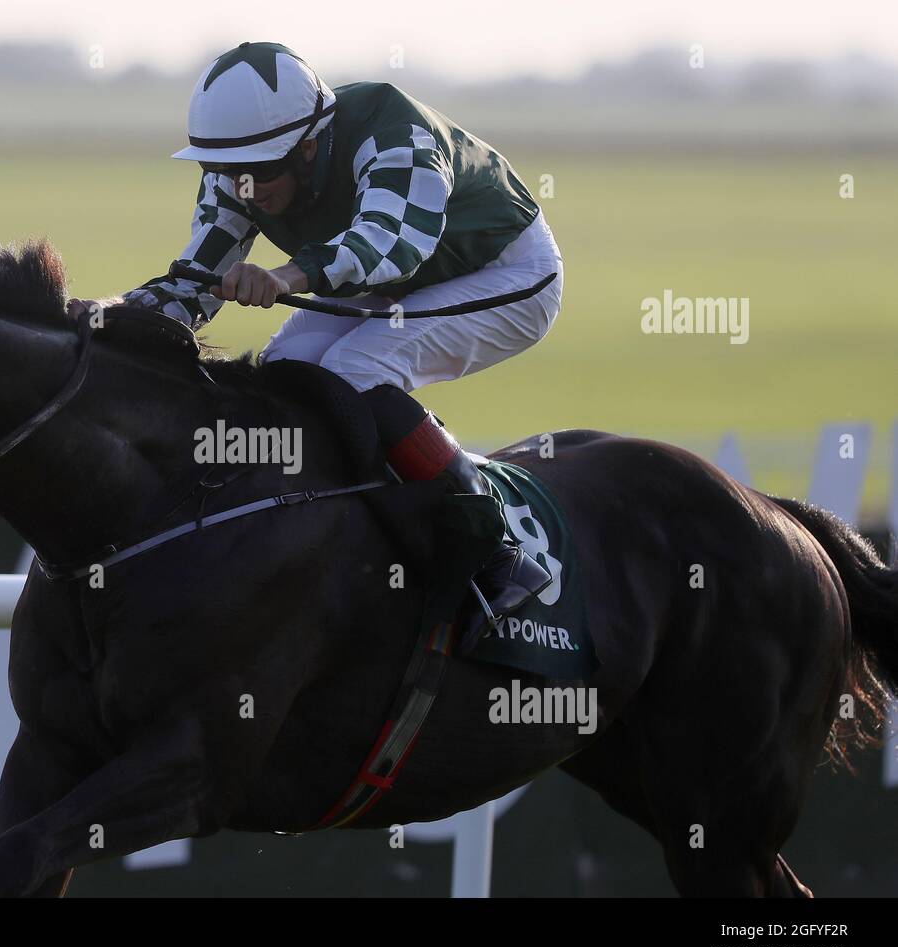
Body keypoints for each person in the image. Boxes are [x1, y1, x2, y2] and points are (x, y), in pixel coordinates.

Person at [68, 41, 563, 648]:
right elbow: (191, 288)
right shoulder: (237, 170)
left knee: (357, 367)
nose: (242, 188)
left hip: (504, 272)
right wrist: (102, 318)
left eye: (258, 169)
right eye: (226, 171)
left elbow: (388, 245)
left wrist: (283, 278)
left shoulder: (392, 130)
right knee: (285, 371)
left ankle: (497, 548)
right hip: (389, 276)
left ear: (309, 146)